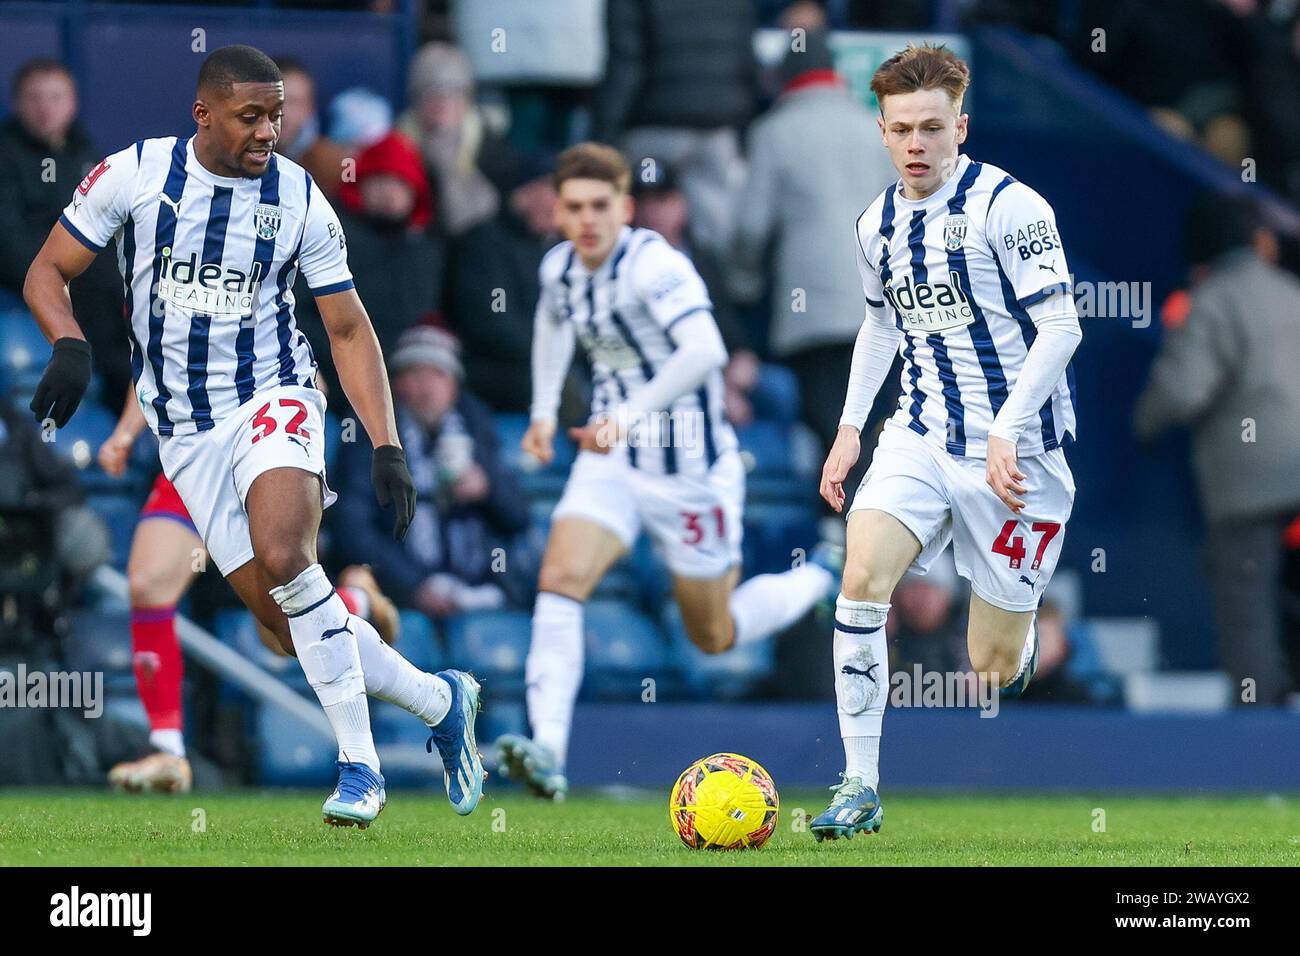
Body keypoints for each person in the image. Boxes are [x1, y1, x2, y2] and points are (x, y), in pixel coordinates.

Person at [22, 45, 483, 828]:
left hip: (277, 395)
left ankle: (359, 768)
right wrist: (68, 342)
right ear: (203, 113)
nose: (271, 129)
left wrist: (386, 443)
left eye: (277, 114)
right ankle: (442, 700)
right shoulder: (135, 175)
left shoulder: (301, 196)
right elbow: (46, 272)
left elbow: (345, 325)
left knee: (285, 555)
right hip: (186, 431)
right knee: (282, 626)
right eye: (252, 116)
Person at [495, 143, 839, 801]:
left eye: (601, 207)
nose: (587, 220)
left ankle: (819, 575)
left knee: (712, 634)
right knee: (560, 581)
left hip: (691, 472)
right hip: (614, 463)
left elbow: (706, 350)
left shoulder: (656, 265)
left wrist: (625, 413)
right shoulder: (560, 266)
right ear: (558, 211)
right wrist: (543, 411)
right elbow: (551, 325)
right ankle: (548, 749)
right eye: (574, 208)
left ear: (625, 209)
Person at [812, 45, 1082, 840]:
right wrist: (851, 428)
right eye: (902, 129)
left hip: (1019, 457)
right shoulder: (876, 223)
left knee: (990, 666)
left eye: (933, 126)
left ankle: (1019, 636)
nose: (918, 143)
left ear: (960, 127)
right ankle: (859, 785)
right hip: (921, 438)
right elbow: (879, 324)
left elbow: (1061, 325)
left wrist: (1006, 428)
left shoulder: (1012, 207)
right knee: (860, 575)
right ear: (884, 132)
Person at [95, 383, 400, 794]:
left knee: (281, 632)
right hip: (194, 449)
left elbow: (322, 354)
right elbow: (149, 358)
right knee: (147, 584)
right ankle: (167, 749)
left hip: (264, 443)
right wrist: (126, 432)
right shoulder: (150, 315)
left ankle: (356, 599)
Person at [1134, 193, 1300, 707]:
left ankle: (1258, 735)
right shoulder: (1291, 292)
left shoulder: (1213, 301)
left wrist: (1144, 425)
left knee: (1246, 608)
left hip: (1248, 486)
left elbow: (1183, 391)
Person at [730, 30, 899, 472]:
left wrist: (742, 284)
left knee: (833, 436)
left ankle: (845, 533)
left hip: (815, 317)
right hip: (882, 310)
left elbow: (750, 228)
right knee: (879, 435)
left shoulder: (773, 131)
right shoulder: (875, 127)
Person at [333, 326, 536, 617]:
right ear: (397, 383)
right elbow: (352, 529)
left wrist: (487, 488)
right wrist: (415, 585)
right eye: (416, 373)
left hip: (480, 587)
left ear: (454, 386)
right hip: (399, 592)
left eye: (438, 374)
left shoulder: (475, 424)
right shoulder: (369, 431)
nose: (428, 387)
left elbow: (519, 517)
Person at [0, 58, 129, 409]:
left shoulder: (88, 153)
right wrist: (59, 278)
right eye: (35, 98)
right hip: (52, 287)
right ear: (17, 103)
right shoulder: (5, 156)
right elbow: (9, 242)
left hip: (106, 288)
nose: (46, 108)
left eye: (56, 97)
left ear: (72, 102)